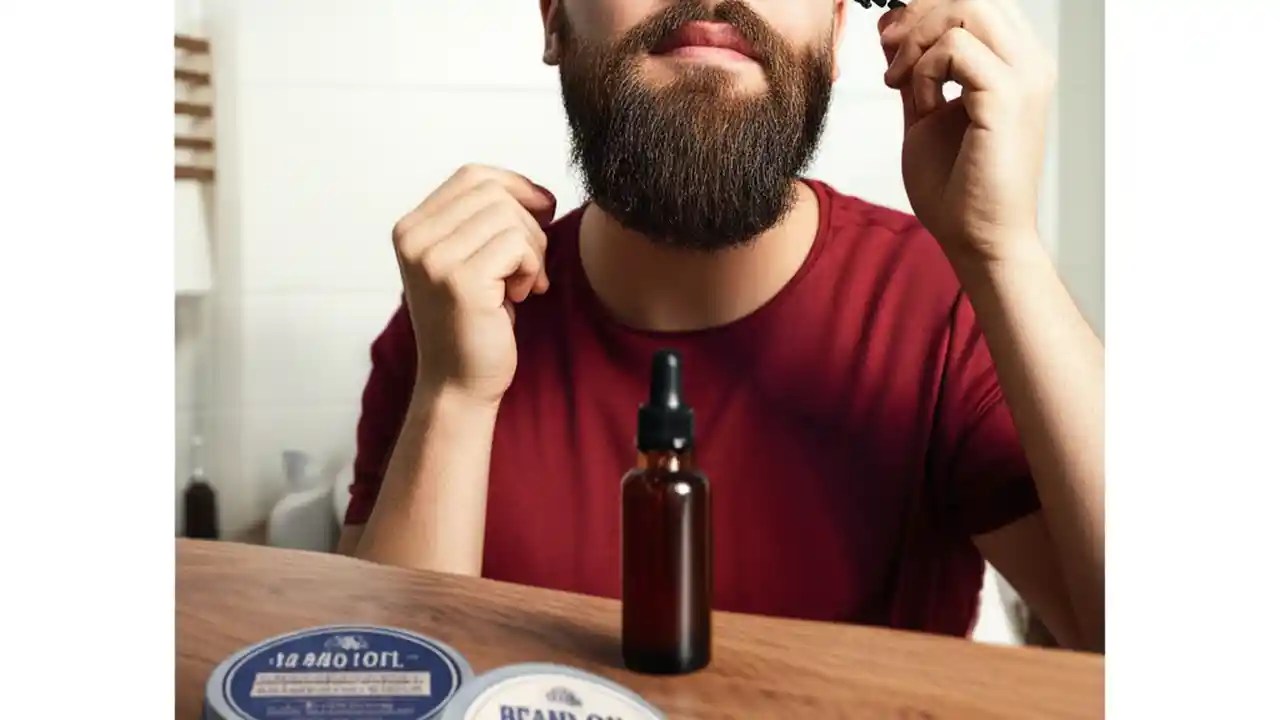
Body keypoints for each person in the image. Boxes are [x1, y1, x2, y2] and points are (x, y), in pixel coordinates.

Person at [338, 0, 1104, 653]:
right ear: (553, 18)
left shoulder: (945, 312)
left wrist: (1004, 250)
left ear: (838, 37)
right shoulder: (448, 328)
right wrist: (455, 395)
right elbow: (387, 682)